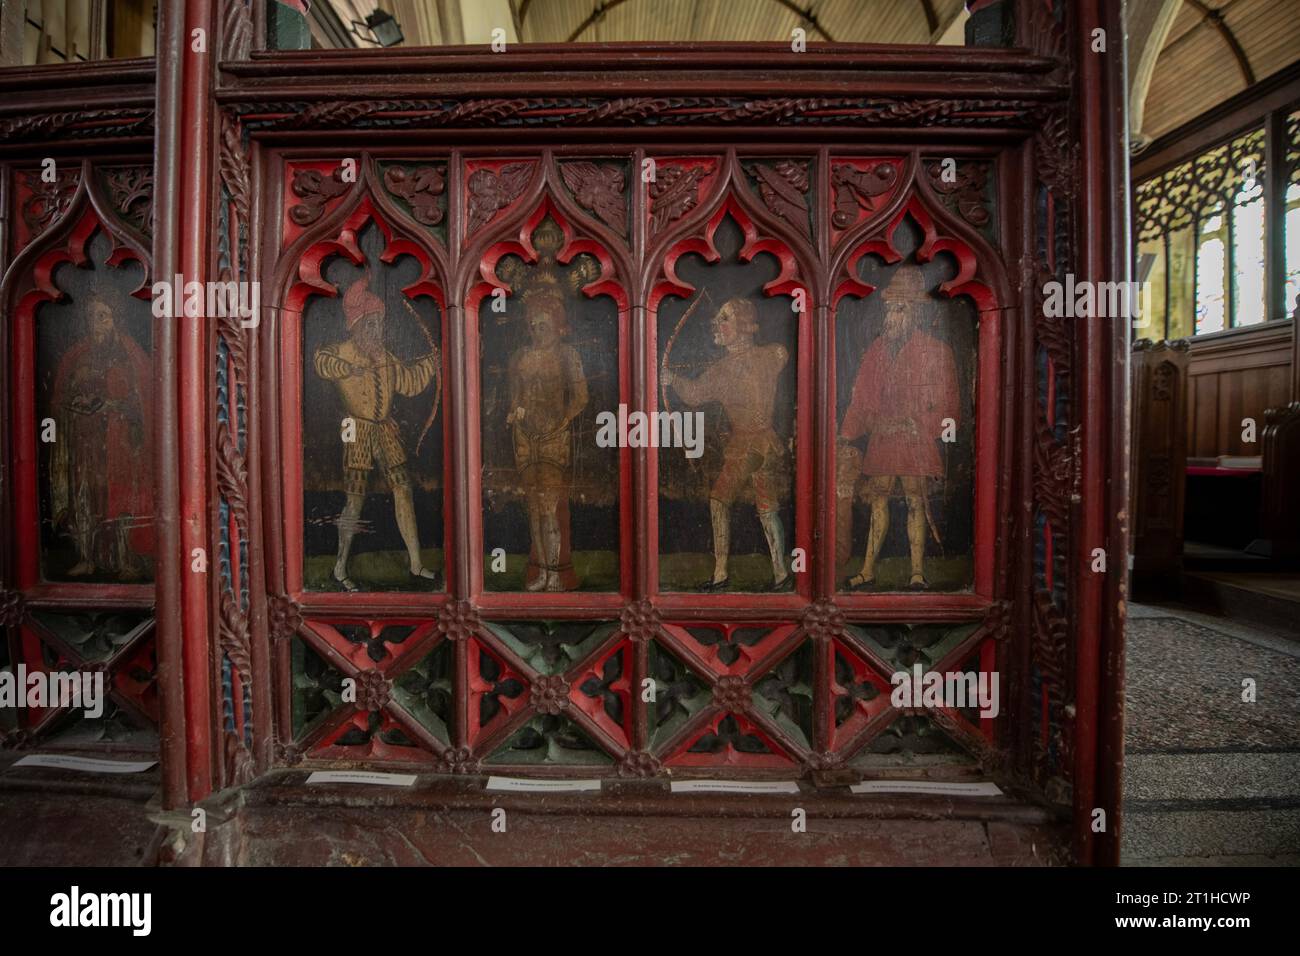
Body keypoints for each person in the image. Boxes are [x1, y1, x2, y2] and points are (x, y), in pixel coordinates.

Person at [314, 275, 440, 591]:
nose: (376, 330)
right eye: (370, 324)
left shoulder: (385, 356)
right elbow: (322, 362)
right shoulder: (341, 350)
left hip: (385, 432)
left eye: (379, 324)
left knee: (403, 491)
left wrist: (432, 362)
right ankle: (341, 567)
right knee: (355, 500)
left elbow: (409, 382)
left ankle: (415, 563)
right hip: (357, 432)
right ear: (355, 325)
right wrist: (349, 369)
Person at [838, 266, 959, 590]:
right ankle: (867, 569)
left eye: (900, 309)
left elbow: (948, 404)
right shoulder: (877, 350)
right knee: (878, 500)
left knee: (915, 501)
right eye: (890, 308)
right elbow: (861, 396)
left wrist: (924, 426)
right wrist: (847, 433)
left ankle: (917, 571)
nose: (892, 315)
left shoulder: (936, 351)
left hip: (915, 439)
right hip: (883, 437)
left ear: (915, 313)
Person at [663, 297, 790, 592]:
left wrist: (672, 379)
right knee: (767, 508)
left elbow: (694, 395)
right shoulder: (770, 355)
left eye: (725, 319)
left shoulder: (726, 370)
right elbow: (781, 353)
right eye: (718, 318)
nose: (716, 325)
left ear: (744, 327)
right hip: (767, 445)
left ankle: (721, 574)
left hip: (749, 445)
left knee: (719, 500)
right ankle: (782, 574)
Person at [49, 296, 152, 579]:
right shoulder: (77, 355)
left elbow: (143, 399)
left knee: (120, 500)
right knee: (84, 498)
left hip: (119, 439)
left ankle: (126, 561)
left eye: (104, 316)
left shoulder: (128, 354)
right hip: (85, 438)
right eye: (93, 317)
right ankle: (86, 557)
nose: (99, 323)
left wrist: (113, 405)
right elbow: (59, 398)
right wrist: (76, 403)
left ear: (115, 319)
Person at [506, 286, 589, 591]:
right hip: (526, 436)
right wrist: (514, 412)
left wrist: (562, 421)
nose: (538, 331)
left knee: (549, 507)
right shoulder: (520, 357)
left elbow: (581, 397)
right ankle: (541, 570)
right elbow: (516, 397)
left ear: (557, 325)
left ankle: (555, 571)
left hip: (554, 436)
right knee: (533, 507)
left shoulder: (569, 354)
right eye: (533, 326)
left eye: (544, 325)